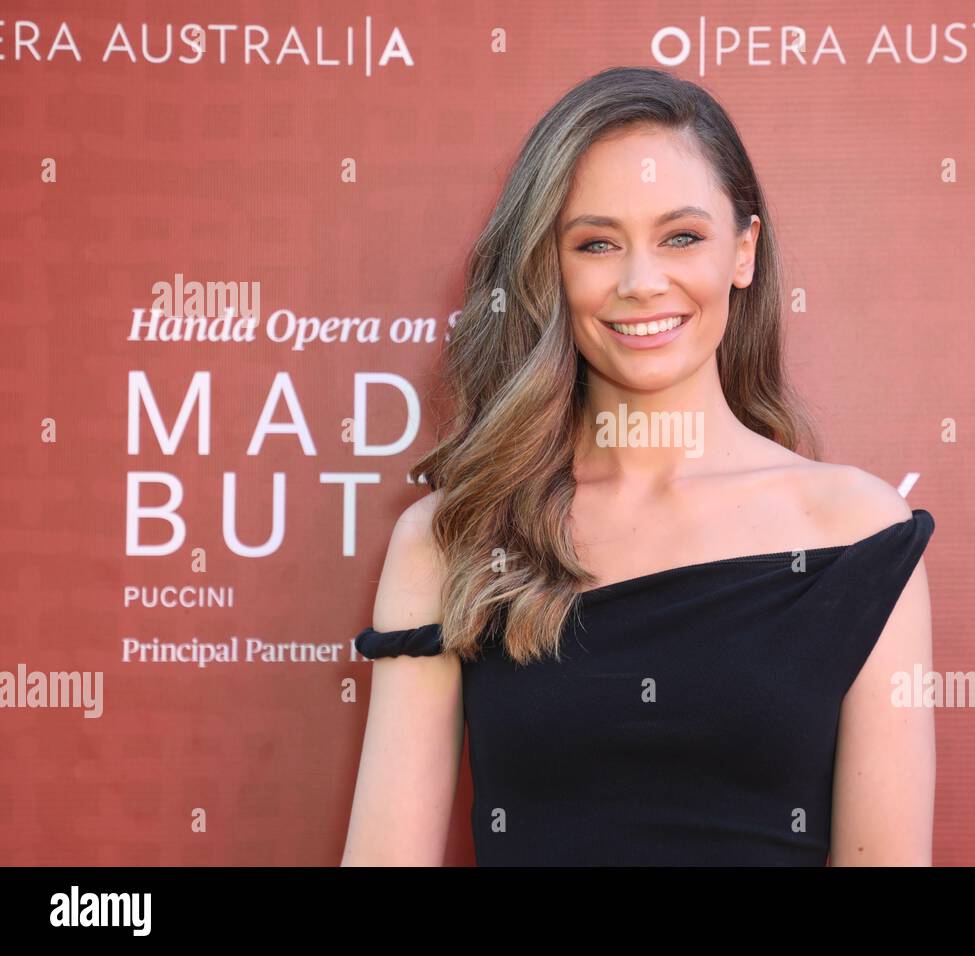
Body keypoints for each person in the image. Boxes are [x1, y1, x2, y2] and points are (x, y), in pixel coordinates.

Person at [341, 66, 935, 866]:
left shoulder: (857, 535)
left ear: (744, 252)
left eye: (681, 237)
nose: (640, 282)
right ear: (550, 269)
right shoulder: (457, 536)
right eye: (596, 244)